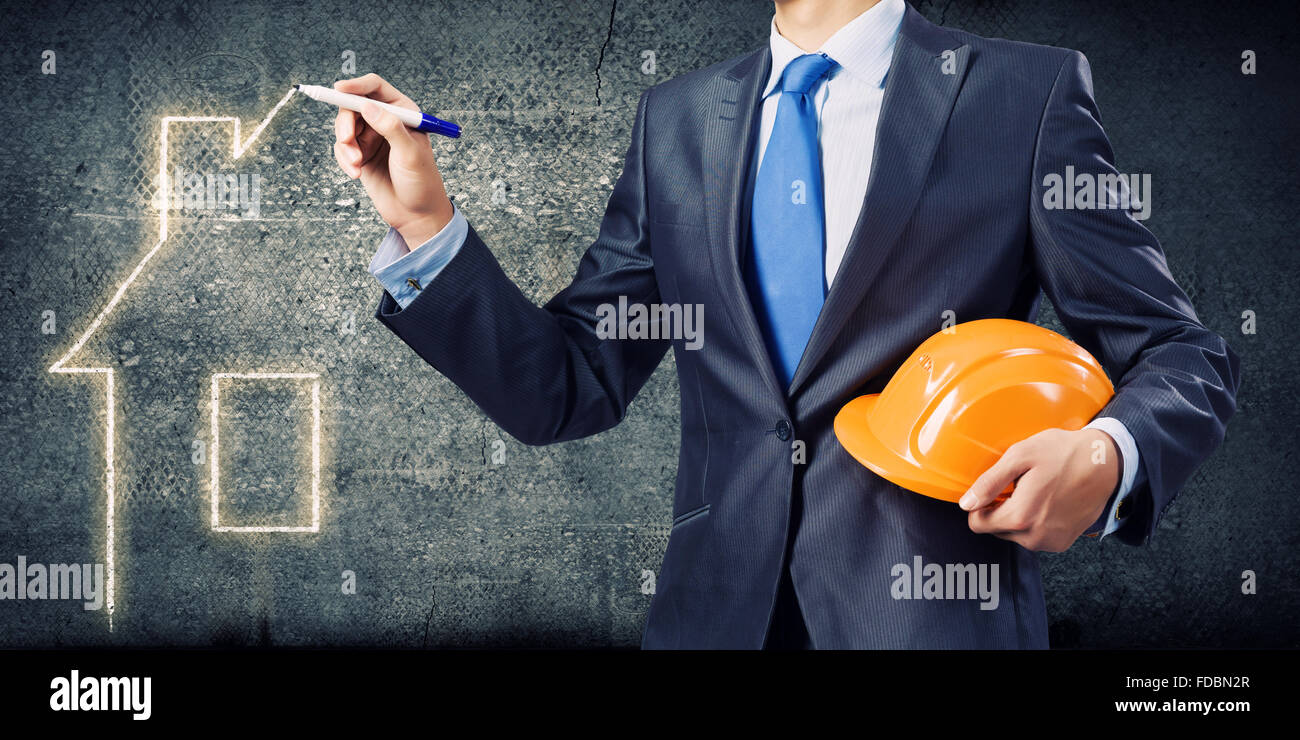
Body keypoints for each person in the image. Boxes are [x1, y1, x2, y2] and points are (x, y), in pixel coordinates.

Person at [331, 0, 1239, 648]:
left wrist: (1106, 455)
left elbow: (1179, 351)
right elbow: (565, 387)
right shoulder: (675, 120)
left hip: (930, 619)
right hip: (711, 617)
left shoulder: (1025, 95)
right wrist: (424, 225)